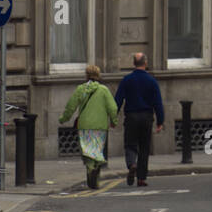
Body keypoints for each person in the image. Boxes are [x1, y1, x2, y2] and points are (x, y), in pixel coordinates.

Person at [60, 65, 119, 189]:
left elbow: (71, 106)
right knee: (97, 149)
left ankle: (90, 167)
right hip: (100, 126)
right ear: (98, 75)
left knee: (87, 150)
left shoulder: (80, 89)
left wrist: (64, 119)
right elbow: (113, 108)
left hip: (84, 125)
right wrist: (114, 121)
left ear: (86, 75)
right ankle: (95, 171)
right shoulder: (104, 90)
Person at [115, 53, 165, 187]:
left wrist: (113, 117)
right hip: (147, 117)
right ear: (145, 63)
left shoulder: (127, 80)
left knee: (130, 144)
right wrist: (160, 121)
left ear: (133, 64)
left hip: (131, 117)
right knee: (144, 147)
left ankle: (132, 164)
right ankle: (142, 178)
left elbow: (118, 100)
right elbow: (158, 103)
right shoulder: (152, 81)